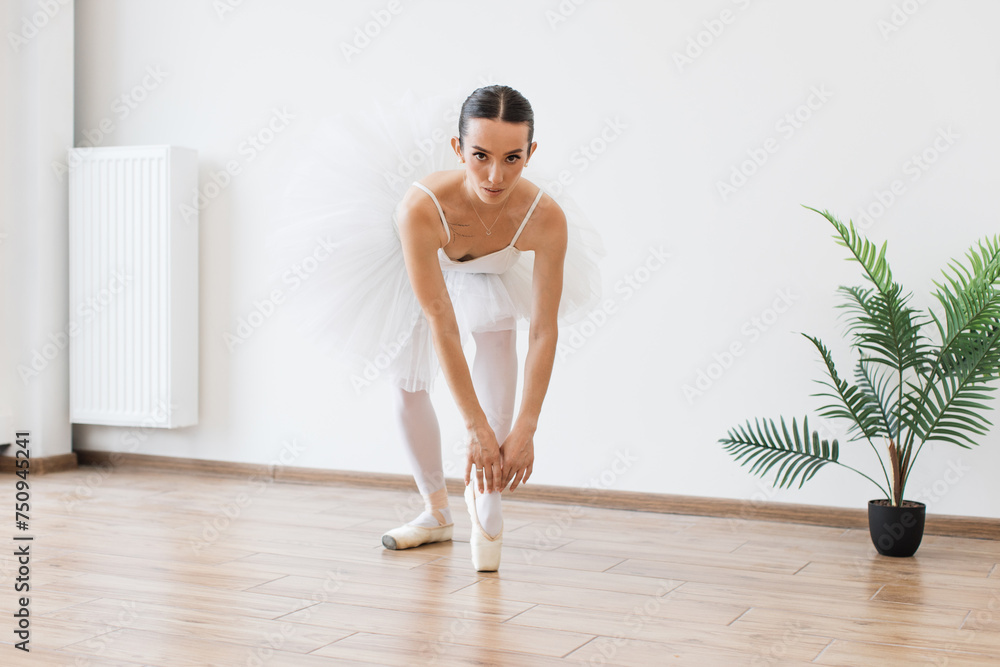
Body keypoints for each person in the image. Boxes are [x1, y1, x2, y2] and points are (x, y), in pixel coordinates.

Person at [270, 85, 606, 571]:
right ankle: (436, 511)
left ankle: (486, 496)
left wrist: (525, 428)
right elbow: (441, 323)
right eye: (480, 156)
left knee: (498, 336)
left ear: (531, 153)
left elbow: (543, 331)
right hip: (416, 264)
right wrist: (474, 428)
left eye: (512, 158)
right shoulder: (421, 208)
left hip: (488, 273)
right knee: (408, 384)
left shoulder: (544, 217)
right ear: (458, 149)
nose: (496, 176)